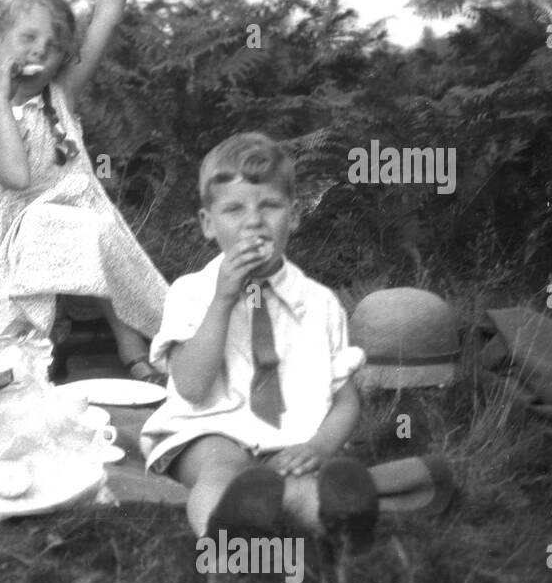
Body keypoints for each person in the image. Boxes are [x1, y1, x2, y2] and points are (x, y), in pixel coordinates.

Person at [0, 0, 170, 383]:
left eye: (52, 47)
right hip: (24, 240)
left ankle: (130, 346)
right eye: (27, 39)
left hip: (88, 222)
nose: (39, 52)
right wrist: (5, 98)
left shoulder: (60, 96)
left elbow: (108, 15)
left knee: (88, 223)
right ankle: (41, 349)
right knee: (53, 229)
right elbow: (15, 175)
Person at [139, 132, 379, 548]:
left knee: (300, 480)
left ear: (295, 215)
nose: (254, 221)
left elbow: (345, 399)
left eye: (269, 205)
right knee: (222, 469)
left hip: (288, 435)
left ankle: (335, 521)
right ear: (208, 225)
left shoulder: (320, 302)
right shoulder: (191, 293)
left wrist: (319, 447)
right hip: (207, 428)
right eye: (234, 209)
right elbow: (191, 387)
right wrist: (223, 301)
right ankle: (226, 539)